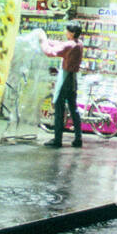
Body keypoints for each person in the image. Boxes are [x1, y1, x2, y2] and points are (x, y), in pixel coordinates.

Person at [48, 21, 85, 149]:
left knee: (59, 108)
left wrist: (43, 42)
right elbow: (61, 44)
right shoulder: (79, 44)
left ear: (72, 33)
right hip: (73, 79)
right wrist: (50, 41)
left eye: (67, 31)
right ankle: (78, 138)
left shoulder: (70, 45)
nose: (66, 32)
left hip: (65, 78)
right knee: (73, 109)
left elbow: (52, 52)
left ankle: (57, 139)